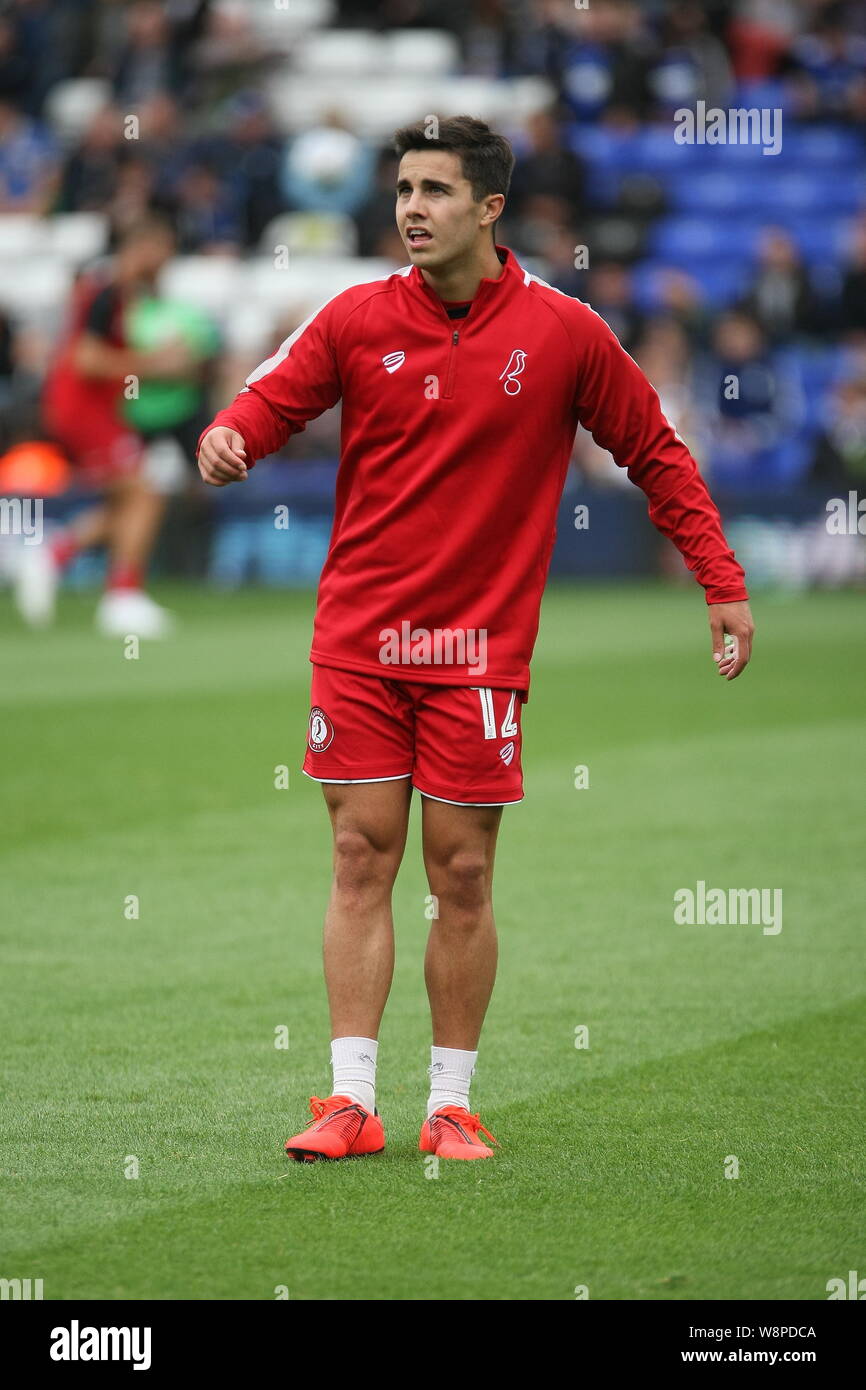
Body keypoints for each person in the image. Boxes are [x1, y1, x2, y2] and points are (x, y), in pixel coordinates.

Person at [196, 115, 754, 1163]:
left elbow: (657, 453)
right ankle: (348, 1102)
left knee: (460, 873)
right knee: (360, 853)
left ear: (489, 209)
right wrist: (228, 439)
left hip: (474, 652)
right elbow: (266, 402)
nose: (411, 208)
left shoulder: (564, 333)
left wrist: (718, 581)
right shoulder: (356, 316)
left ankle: (449, 1104)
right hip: (359, 638)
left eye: (435, 191)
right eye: (404, 188)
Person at [18, 214, 199, 635]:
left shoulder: (112, 288)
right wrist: (157, 364)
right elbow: (87, 359)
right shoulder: (107, 290)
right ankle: (121, 597)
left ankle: (53, 558)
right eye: (164, 249)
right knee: (146, 492)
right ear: (145, 245)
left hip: (88, 407)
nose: (167, 260)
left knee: (128, 499)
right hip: (83, 408)